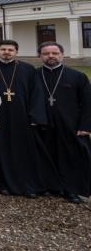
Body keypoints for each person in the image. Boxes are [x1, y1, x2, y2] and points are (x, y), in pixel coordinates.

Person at [0, 40, 57, 198]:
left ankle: (28, 184)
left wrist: (36, 117)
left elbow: (37, 94)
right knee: (0, 150)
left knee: (25, 152)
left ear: (16, 52)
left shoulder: (27, 69)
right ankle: (2, 183)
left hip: (23, 118)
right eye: (3, 49)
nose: (7, 52)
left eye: (10, 50)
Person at [37, 42, 91, 203]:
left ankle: (72, 189)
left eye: (54, 53)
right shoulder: (35, 75)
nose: (51, 56)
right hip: (44, 124)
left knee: (72, 157)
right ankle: (50, 186)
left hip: (71, 125)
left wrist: (86, 125)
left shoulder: (77, 76)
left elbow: (88, 103)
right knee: (47, 156)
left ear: (62, 54)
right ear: (40, 56)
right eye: (46, 53)